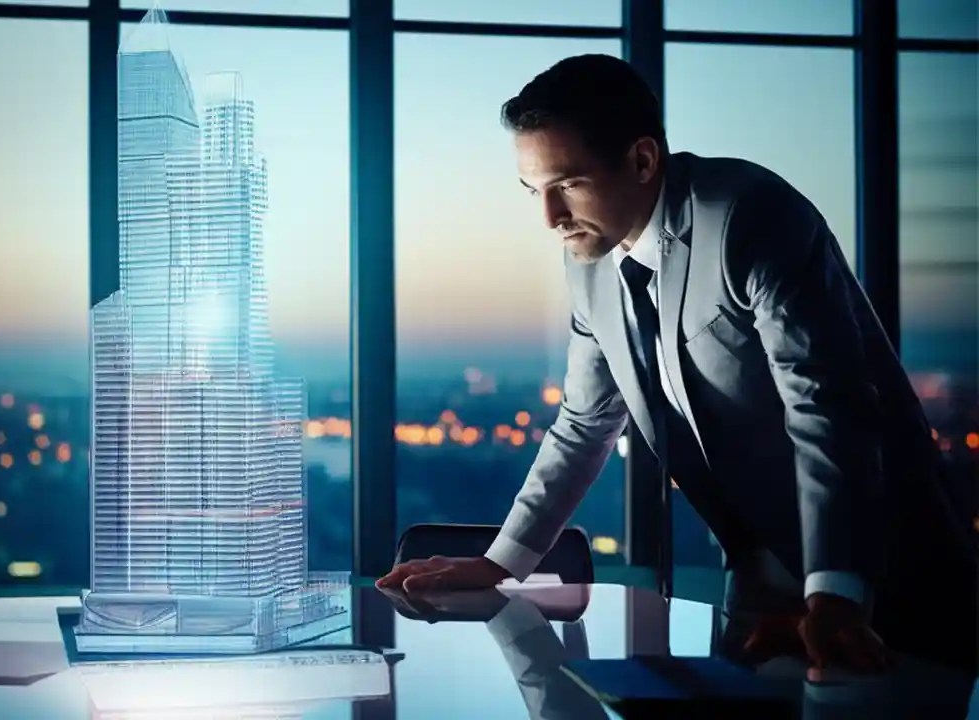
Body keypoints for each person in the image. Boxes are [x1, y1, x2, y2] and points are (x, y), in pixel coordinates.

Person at [377, 54, 977, 674]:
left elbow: (825, 403)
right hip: (758, 575)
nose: (549, 218)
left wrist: (836, 591)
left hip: (884, 562)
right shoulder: (589, 260)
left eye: (568, 185)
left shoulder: (751, 216)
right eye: (535, 191)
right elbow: (584, 424)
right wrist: (500, 564)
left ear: (642, 160)